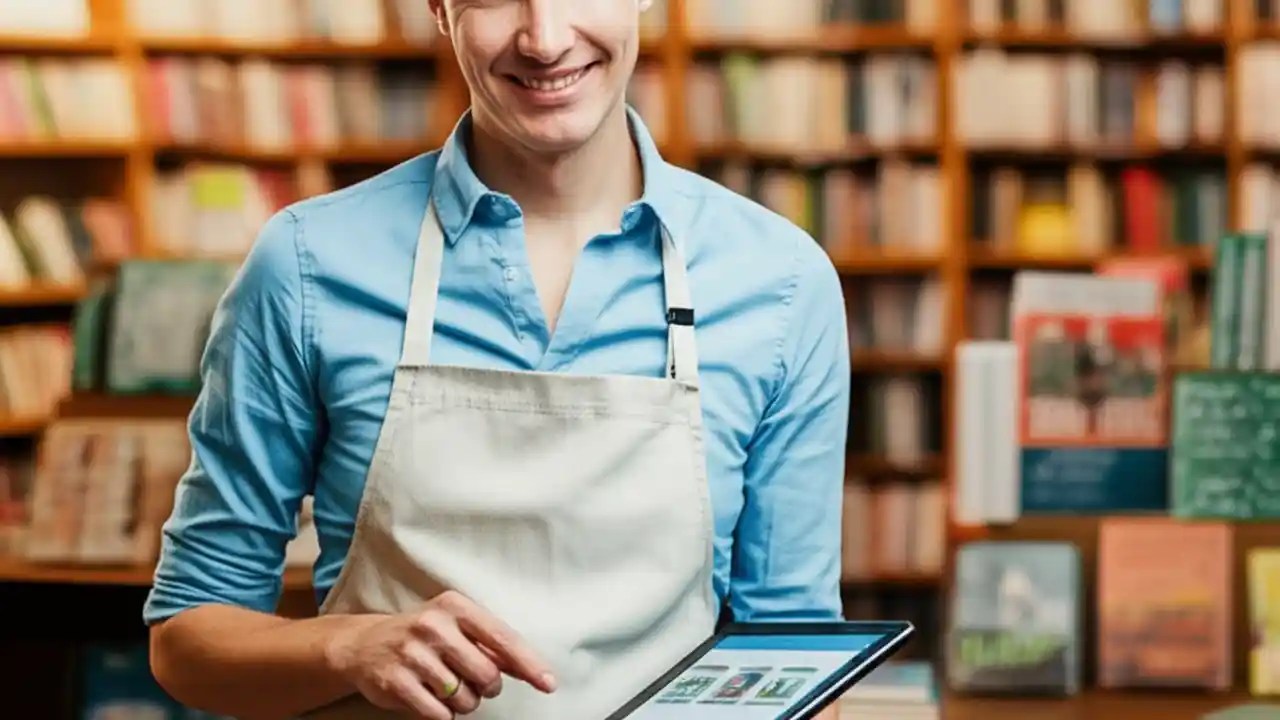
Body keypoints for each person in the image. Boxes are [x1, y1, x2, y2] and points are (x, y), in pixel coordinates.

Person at [144, 1, 850, 718]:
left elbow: (791, 654)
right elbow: (188, 637)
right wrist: (347, 648)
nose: (543, 39)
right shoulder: (305, 264)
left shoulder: (782, 283)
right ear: (438, 10)